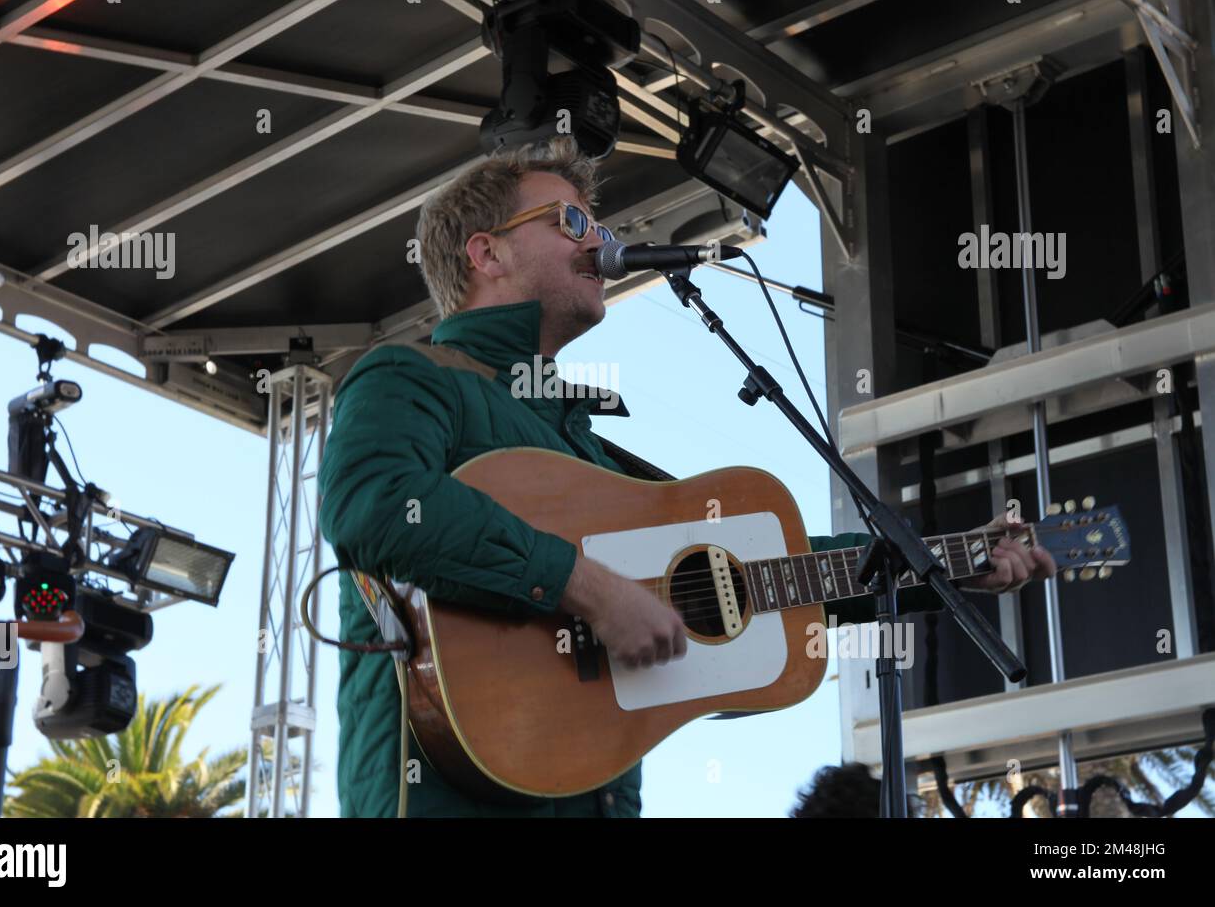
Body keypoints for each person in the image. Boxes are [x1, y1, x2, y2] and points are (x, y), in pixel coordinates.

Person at [317, 136, 1055, 818]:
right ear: (487, 253)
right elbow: (376, 506)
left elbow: (773, 573)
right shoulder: (408, 377)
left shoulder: (588, 455)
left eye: (598, 225)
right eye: (571, 220)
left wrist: (942, 565)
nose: (602, 240)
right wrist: (588, 586)